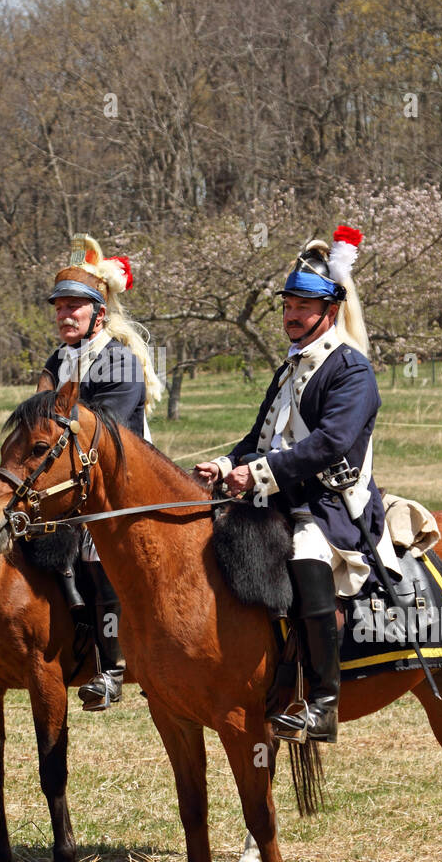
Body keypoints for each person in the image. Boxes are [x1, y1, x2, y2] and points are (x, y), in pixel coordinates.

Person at [194, 226, 400, 743]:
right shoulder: (289, 368)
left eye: (304, 305)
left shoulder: (352, 370)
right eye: (287, 303)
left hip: (332, 503)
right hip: (281, 495)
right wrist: (224, 464)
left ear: (330, 310)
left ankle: (323, 702)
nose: (292, 313)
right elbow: (260, 434)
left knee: (306, 556)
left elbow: (330, 443)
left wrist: (258, 473)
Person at [38, 235, 164, 710]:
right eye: (60, 308)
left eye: (75, 307)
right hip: (70, 476)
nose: (65, 315)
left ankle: (111, 668)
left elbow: (105, 432)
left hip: (119, 481)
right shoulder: (57, 360)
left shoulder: (118, 359)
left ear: (98, 313)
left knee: (93, 553)